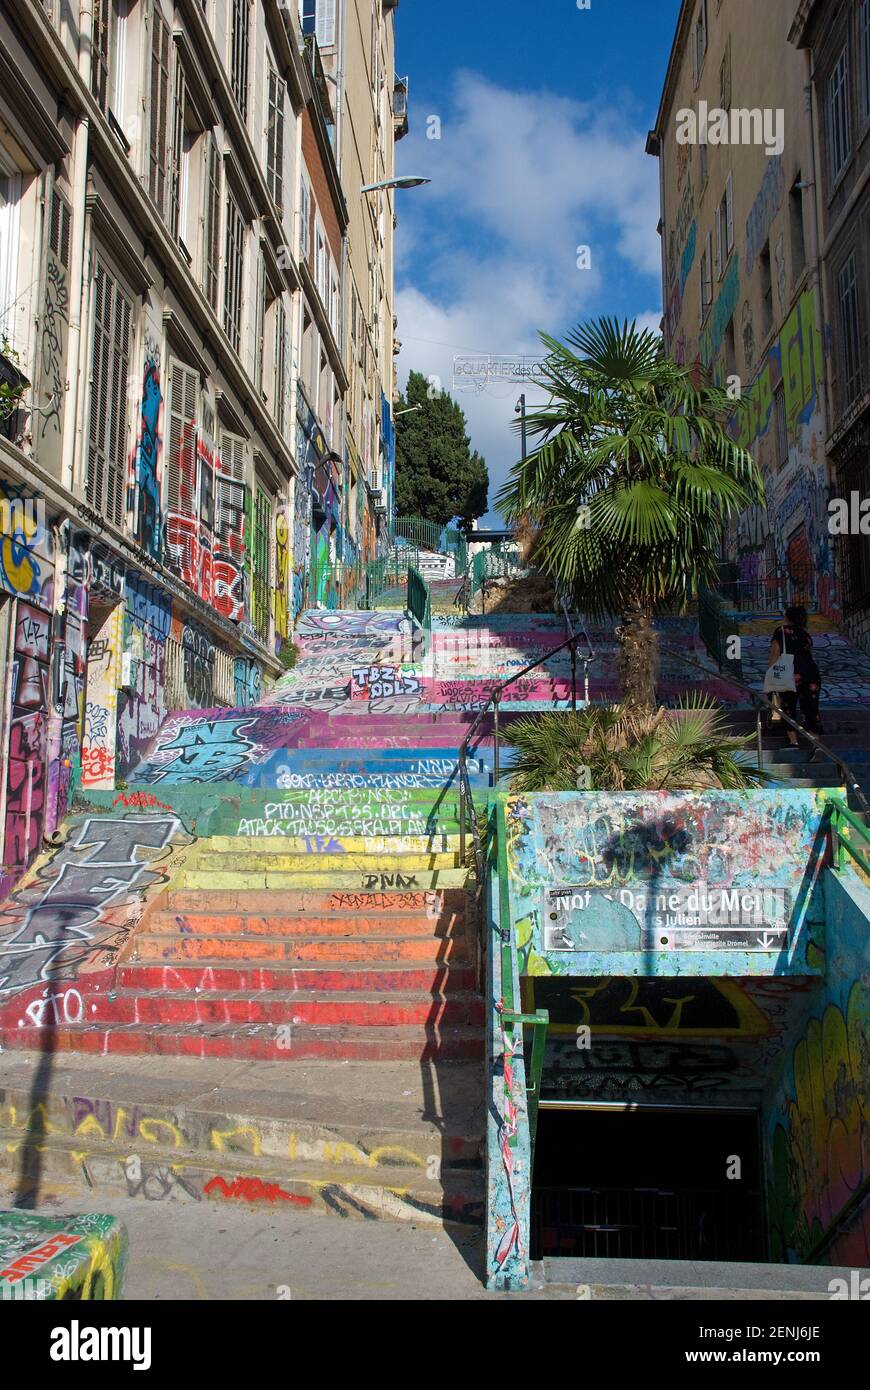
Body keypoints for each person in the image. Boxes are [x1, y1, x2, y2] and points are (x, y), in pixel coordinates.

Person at [766, 606, 823, 746]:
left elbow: (775, 652)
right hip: (811, 674)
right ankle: (816, 743)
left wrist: (771, 674)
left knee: (788, 706)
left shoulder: (781, 631)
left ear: (788, 617)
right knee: (811, 708)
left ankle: (793, 742)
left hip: (790, 673)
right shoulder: (806, 634)